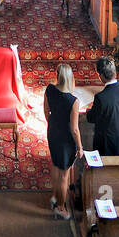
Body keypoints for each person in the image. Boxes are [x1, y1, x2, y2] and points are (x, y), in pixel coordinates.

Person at [44, 63, 83, 220]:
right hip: (66, 139)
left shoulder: (49, 89)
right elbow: (74, 129)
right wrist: (79, 147)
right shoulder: (73, 101)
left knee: (55, 164)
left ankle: (54, 196)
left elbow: (46, 111)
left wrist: (53, 123)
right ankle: (60, 207)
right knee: (64, 175)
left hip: (53, 132)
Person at [85, 56, 119, 156]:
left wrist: (88, 111)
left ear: (100, 75)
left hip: (105, 144)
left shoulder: (101, 98)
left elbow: (91, 118)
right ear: (115, 72)